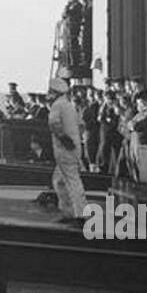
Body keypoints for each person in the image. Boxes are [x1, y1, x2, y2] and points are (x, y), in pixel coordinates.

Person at [47, 78, 87, 220]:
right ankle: (67, 211)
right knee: (59, 181)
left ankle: (80, 215)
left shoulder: (57, 105)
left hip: (64, 149)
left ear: (55, 93)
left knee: (72, 182)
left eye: (50, 92)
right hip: (74, 148)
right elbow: (81, 125)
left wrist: (65, 140)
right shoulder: (69, 105)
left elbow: (54, 125)